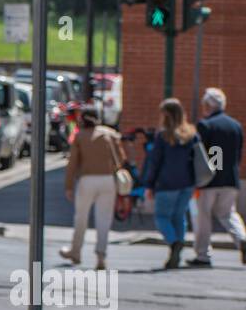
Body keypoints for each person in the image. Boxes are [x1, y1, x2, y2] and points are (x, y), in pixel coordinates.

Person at [190, 87, 246, 267]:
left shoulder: (205, 125)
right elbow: (238, 154)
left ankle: (203, 255)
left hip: (208, 180)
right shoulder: (236, 126)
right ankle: (242, 239)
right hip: (231, 179)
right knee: (228, 213)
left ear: (208, 105)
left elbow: (200, 154)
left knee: (204, 217)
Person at [59, 106, 125, 270]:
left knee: (81, 217)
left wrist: (68, 185)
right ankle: (101, 255)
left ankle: (75, 251)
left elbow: (72, 163)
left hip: (87, 180)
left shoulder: (80, 136)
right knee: (104, 219)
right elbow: (121, 158)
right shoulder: (110, 134)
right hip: (108, 180)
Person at [140, 98, 199, 269]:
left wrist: (149, 185)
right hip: (187, 183)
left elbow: (155, 162)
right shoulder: (192, 134)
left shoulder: (163, 135)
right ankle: (178, 245)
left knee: (162, 217)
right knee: (179, 217)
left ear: (166, 115)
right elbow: (202, 157)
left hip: (166, 184)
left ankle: (174, 243)